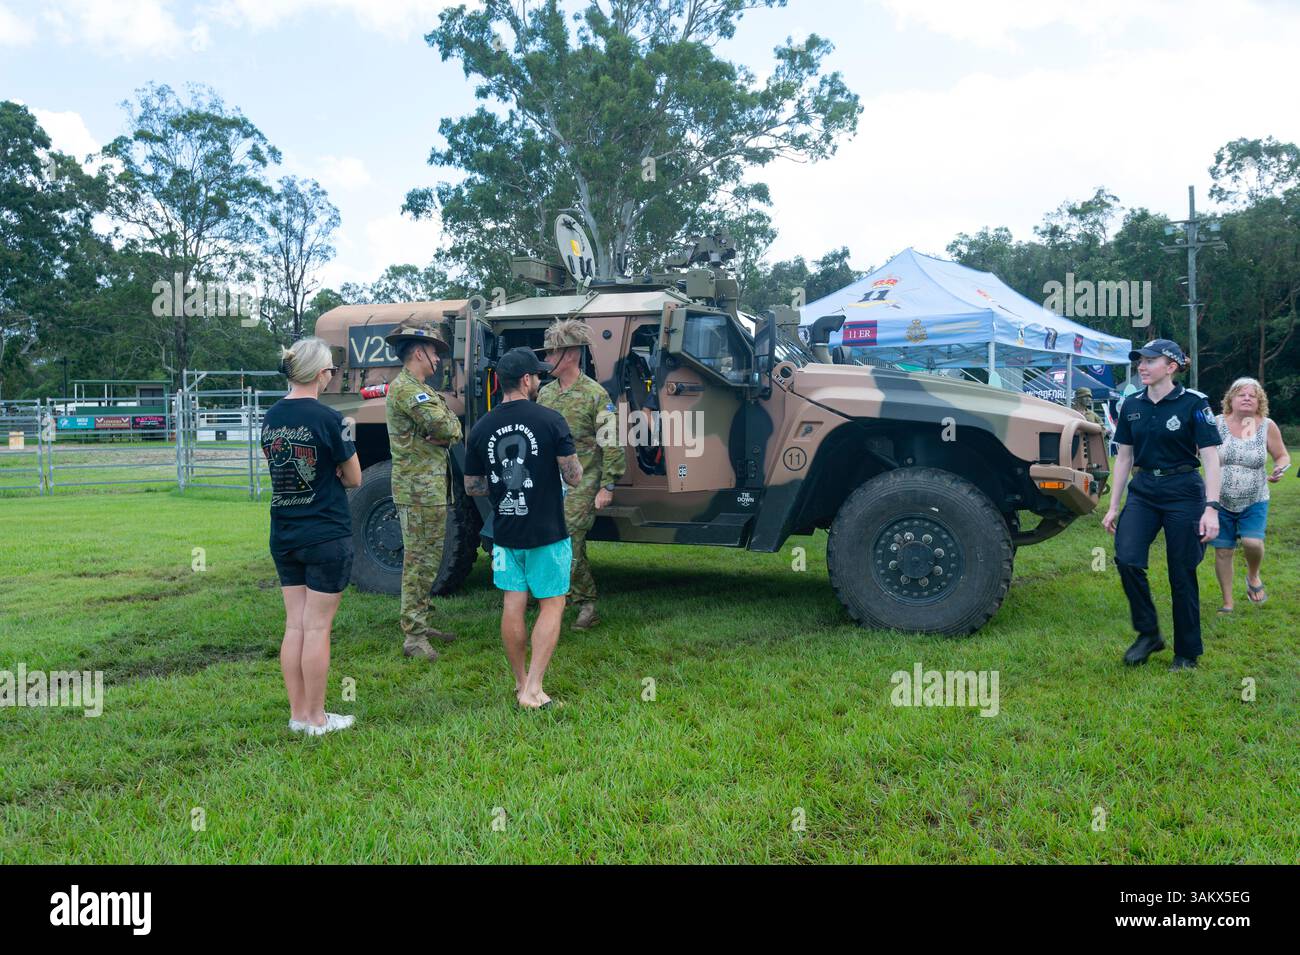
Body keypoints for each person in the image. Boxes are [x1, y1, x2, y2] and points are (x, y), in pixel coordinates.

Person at [464, 348, 582, 709]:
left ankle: (520, 684)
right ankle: (534, 689)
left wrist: (503, 488)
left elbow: (473, 485)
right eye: (538, 376)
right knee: (552, 603)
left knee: (513, 603)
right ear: (527, 380)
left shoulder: (481, 426)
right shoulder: (551, 419)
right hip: (547, 529)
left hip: (505, 530)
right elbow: (573, 476)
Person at [261, 337, 361, 735]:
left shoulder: (270, 417)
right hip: (325, 533)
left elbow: (274, 464)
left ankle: (298, 714)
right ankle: (318, 718)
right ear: (321, 374)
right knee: (317, 628)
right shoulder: (329, 419)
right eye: (331, 370)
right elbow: (354, 476)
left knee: (295, 626)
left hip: (284, 532)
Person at [1102, 339, 1222, 670]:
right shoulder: (1131, 405)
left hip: (1184, 491)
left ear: (1170, 367)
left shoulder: (1194, 404)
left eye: (1149, 361)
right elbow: (1124, 457)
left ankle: (1187, 653)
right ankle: (1149, 634)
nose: (1141, 366)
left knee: (1181, 571)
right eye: (1139, 360)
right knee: (1127, 559)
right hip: (1143, 491)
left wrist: (1211, 507)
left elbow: (1211, 458)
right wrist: (1114, 505)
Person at [538, 318, 626, 630]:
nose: (547, 359)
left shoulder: (594, 394)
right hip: (551, 480)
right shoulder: (545, 395)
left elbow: (611, 440)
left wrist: (608, 486)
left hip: (585, 478)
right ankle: (555, 600)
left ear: (570, 355)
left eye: (551, 353)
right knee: (551, 540)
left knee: (569, 537)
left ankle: (586, 604)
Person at [384, 320, 464, 662]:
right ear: (419, 352)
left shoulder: (420, 389)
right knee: (419, 563)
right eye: (434, 354)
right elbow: (444, 425)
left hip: (429, 488)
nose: (437, 361)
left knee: (428, 561)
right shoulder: (407, 390)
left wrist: (450, 431)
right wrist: (449, 431)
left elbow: (451, 427)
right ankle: (414, 637)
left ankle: (420, 622)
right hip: (418, 491)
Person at [1211, 377, 1290, 613]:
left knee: (1252, 542)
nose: (1247, 398)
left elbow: (1282, 456)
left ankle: (1253, 576)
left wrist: (1280, 468)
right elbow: (1197, 453)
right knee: (1223, 550)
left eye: (1252, 395)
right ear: (1230, 399)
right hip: (1220, 499)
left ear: (1259, 402)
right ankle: (1227, 602)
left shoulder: (1267, 425)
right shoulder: (1215, 423)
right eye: (1241, 394)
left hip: (1255, 498)